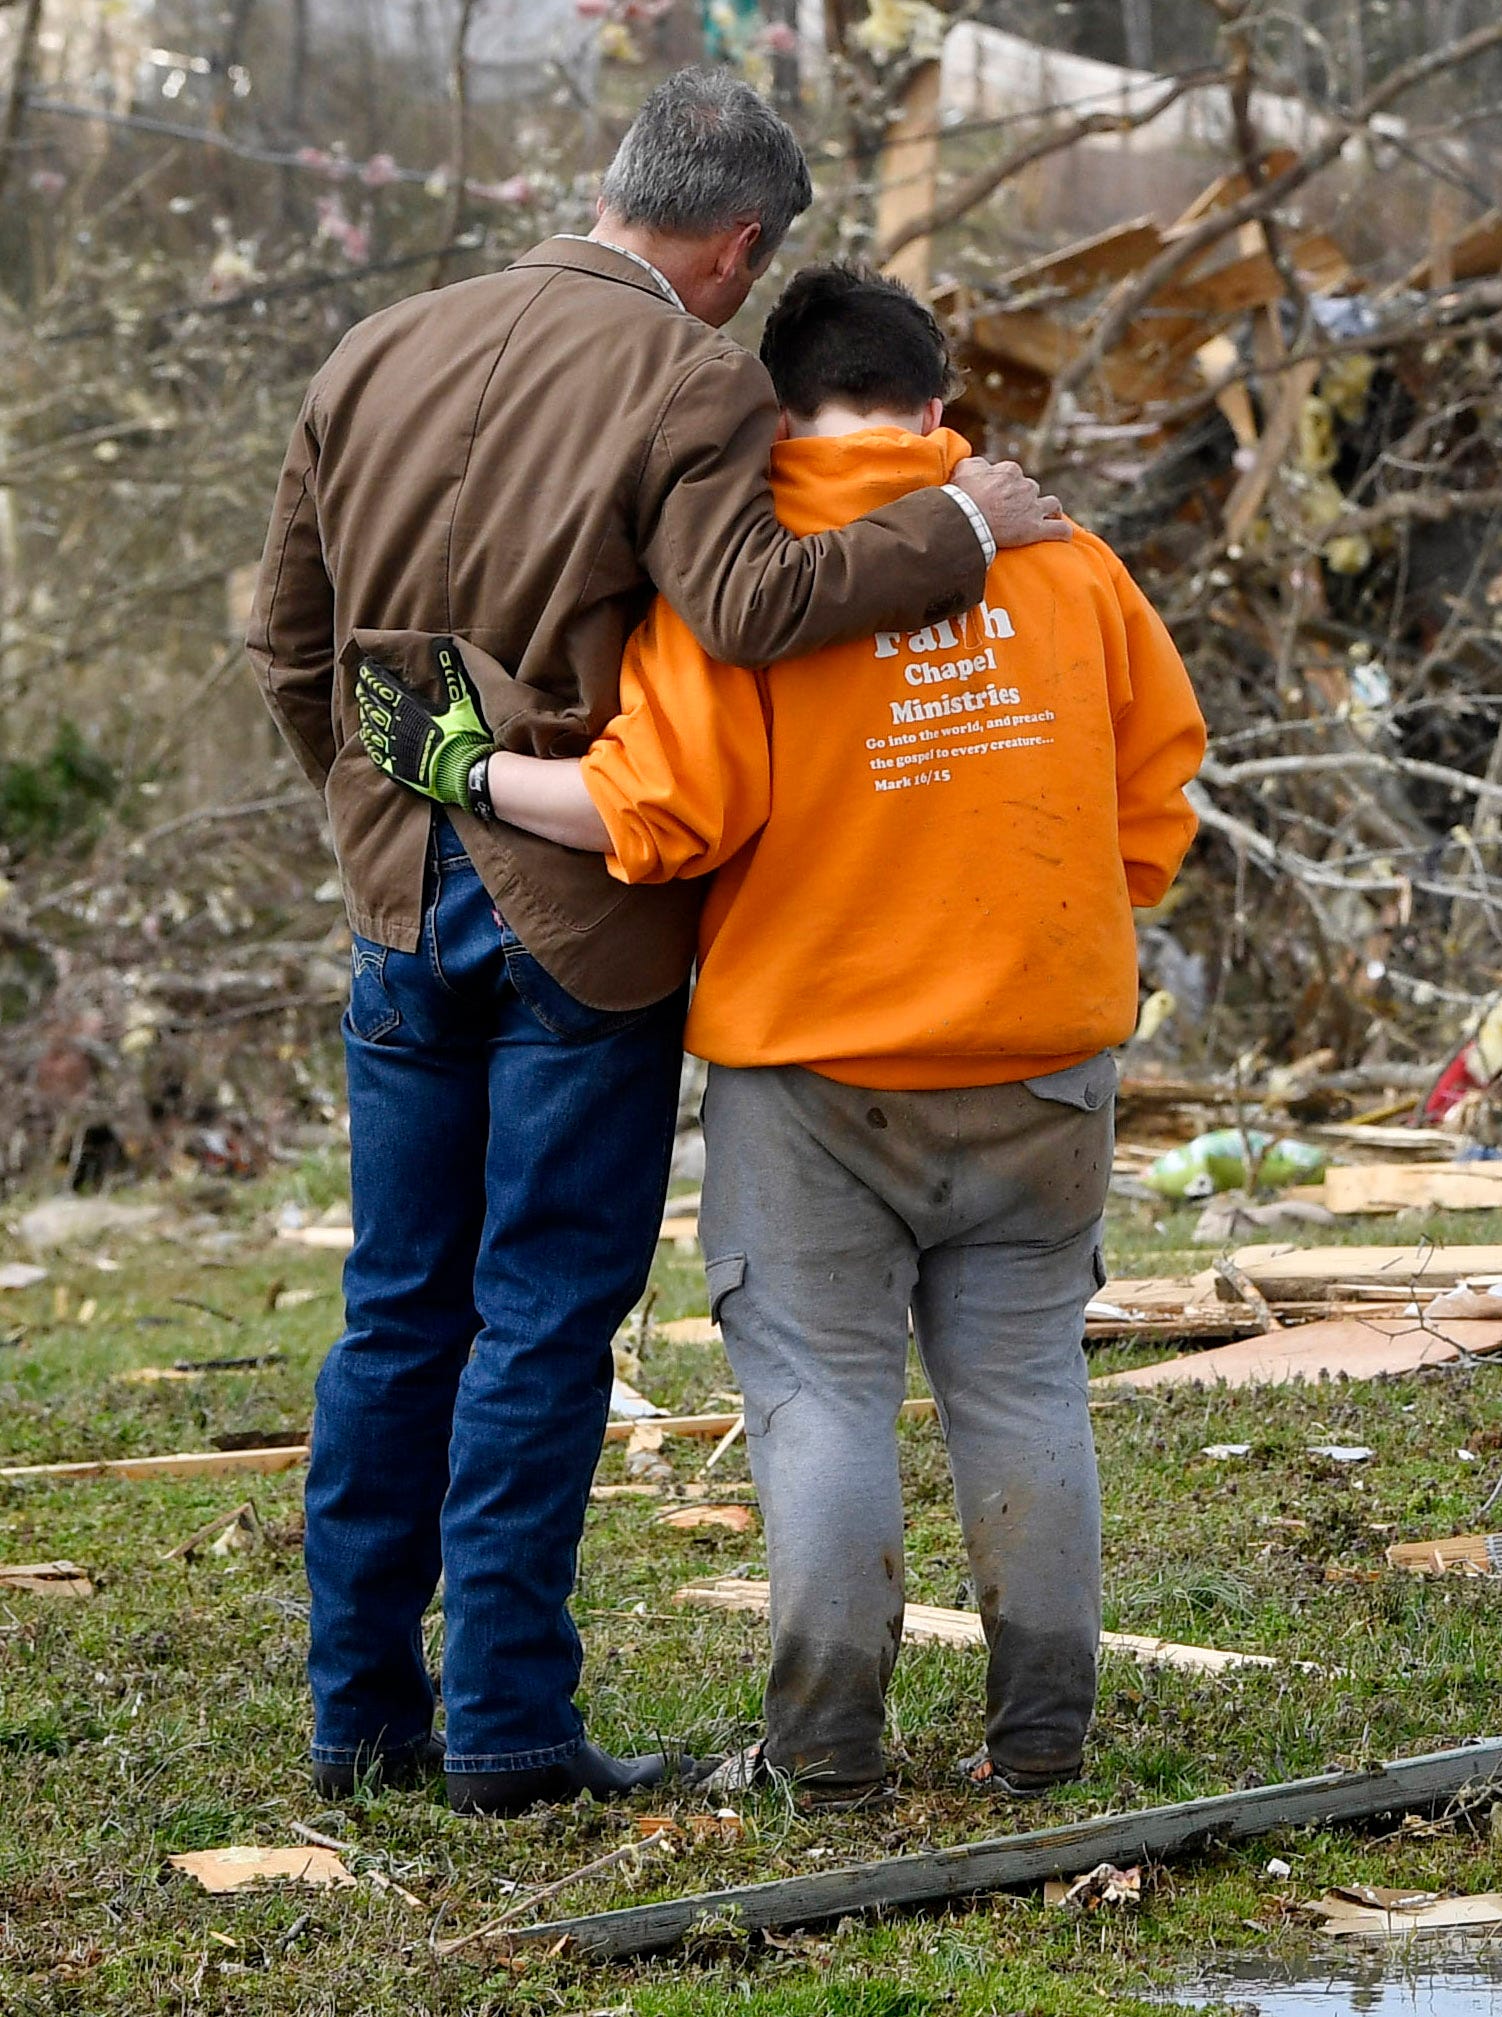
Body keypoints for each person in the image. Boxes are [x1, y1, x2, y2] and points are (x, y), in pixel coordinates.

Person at [246, 69, 1072, 1818]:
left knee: (394, 1309)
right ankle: (509, 1730)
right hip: (581, 914)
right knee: (542, 1313)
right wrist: (959, 527)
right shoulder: (693, 377)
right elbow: (757, 605)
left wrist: (379, 813)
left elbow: (288, 644)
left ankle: (358, 1715)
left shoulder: (372, 347)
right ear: (742, 244)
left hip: (396, 900)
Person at [357, 263, 1206, 1802]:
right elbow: (1158, 785)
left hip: (818, 1075)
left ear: (773, 414)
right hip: (1047, 1059)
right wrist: (1068, 917)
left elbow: (655, 815)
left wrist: (464, 774)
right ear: (937, 405)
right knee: (1025, 1386)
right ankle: (1041, 1738)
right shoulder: (1067, 559)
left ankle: (827, 1754)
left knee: (821, 1394)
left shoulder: (743, 586)